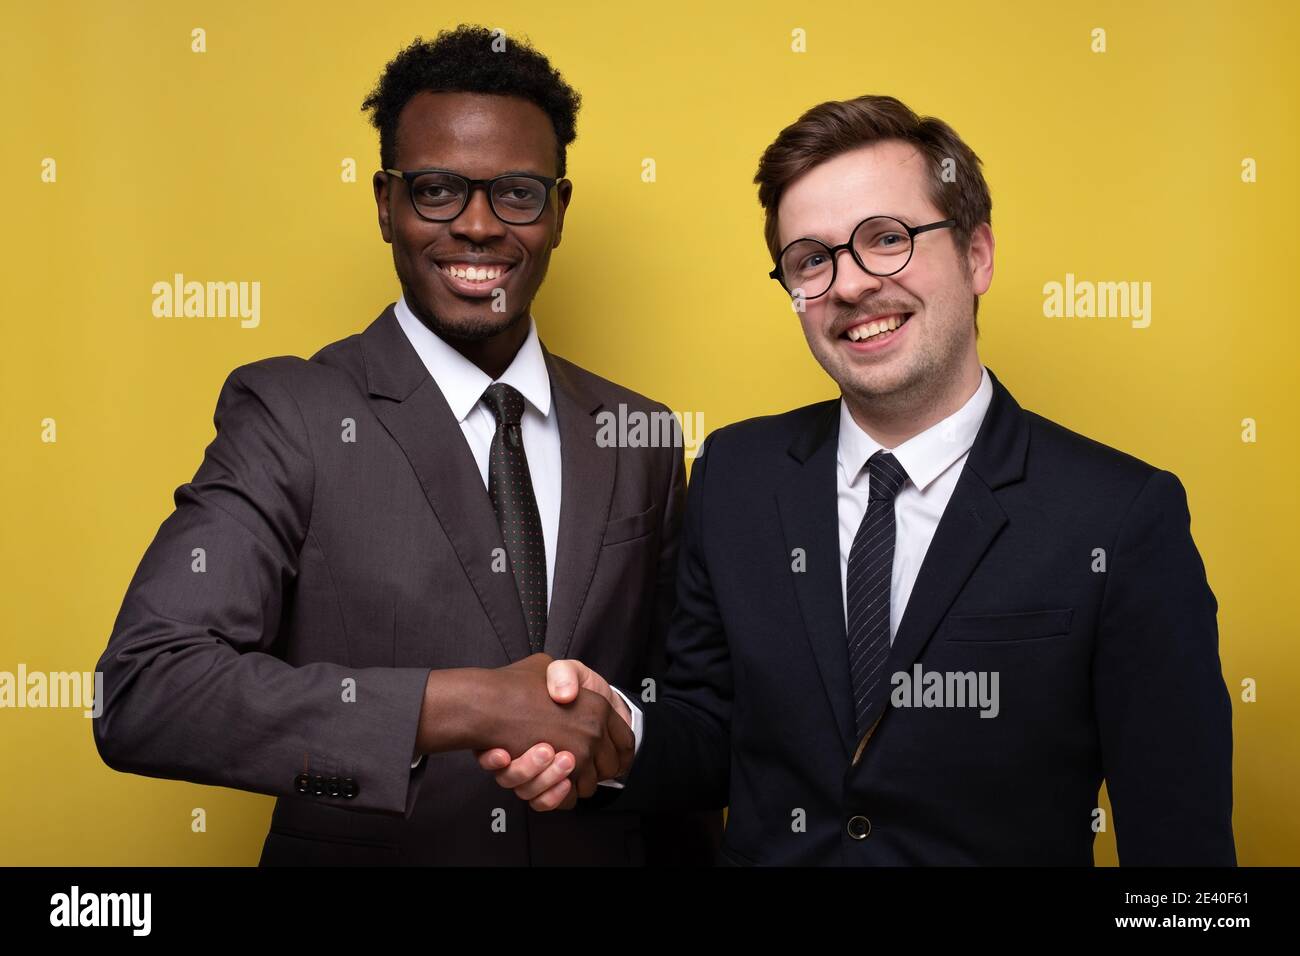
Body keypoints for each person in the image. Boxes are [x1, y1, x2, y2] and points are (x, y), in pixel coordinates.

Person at [479, 94, 1236, 866]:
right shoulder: (735, 477)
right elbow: (711, 737)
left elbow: (1182, 852)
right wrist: (620, 730)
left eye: (888, 239)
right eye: (812, 259)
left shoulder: (1118, 515)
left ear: (977, 255)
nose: (849, 286)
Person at [93, 25, 721, 866]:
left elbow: (686, 724)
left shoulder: (638, 433)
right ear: (386, 202)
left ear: (559, 212)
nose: (477, 226)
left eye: (517, 195)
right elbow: (147, 687)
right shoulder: (292, 411)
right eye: (437, 191)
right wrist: (467, 706)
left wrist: (616, 742)